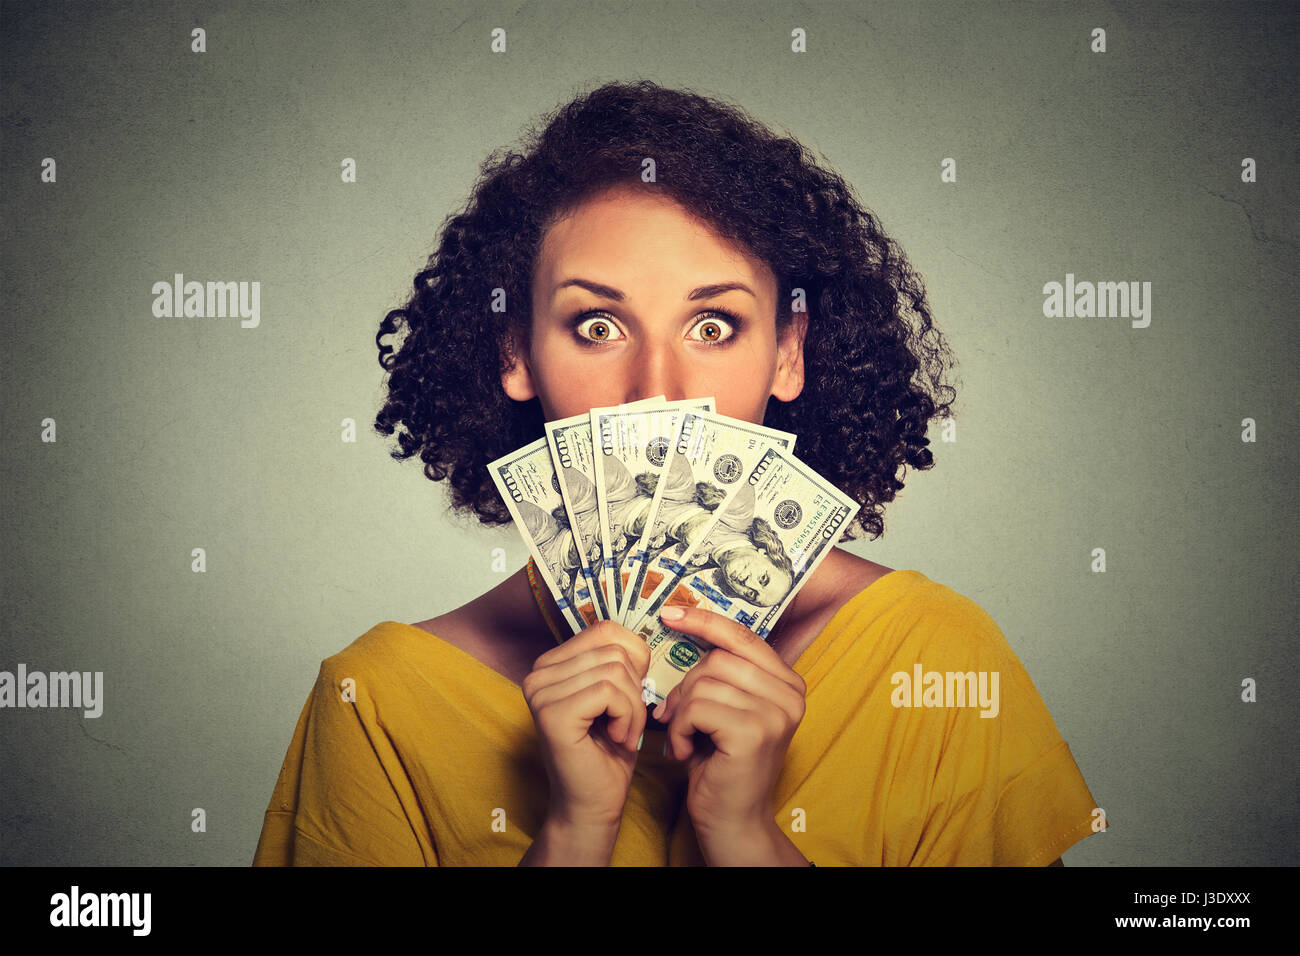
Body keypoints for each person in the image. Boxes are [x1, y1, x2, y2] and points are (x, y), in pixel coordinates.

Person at [252, 80, 1097, 867]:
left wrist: (747, 837)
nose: (658, 391)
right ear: (516, 352)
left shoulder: (933, 659)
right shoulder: (383, 702)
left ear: (788, 353)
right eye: (596, 326)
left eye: (715, 325)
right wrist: (574, 833)